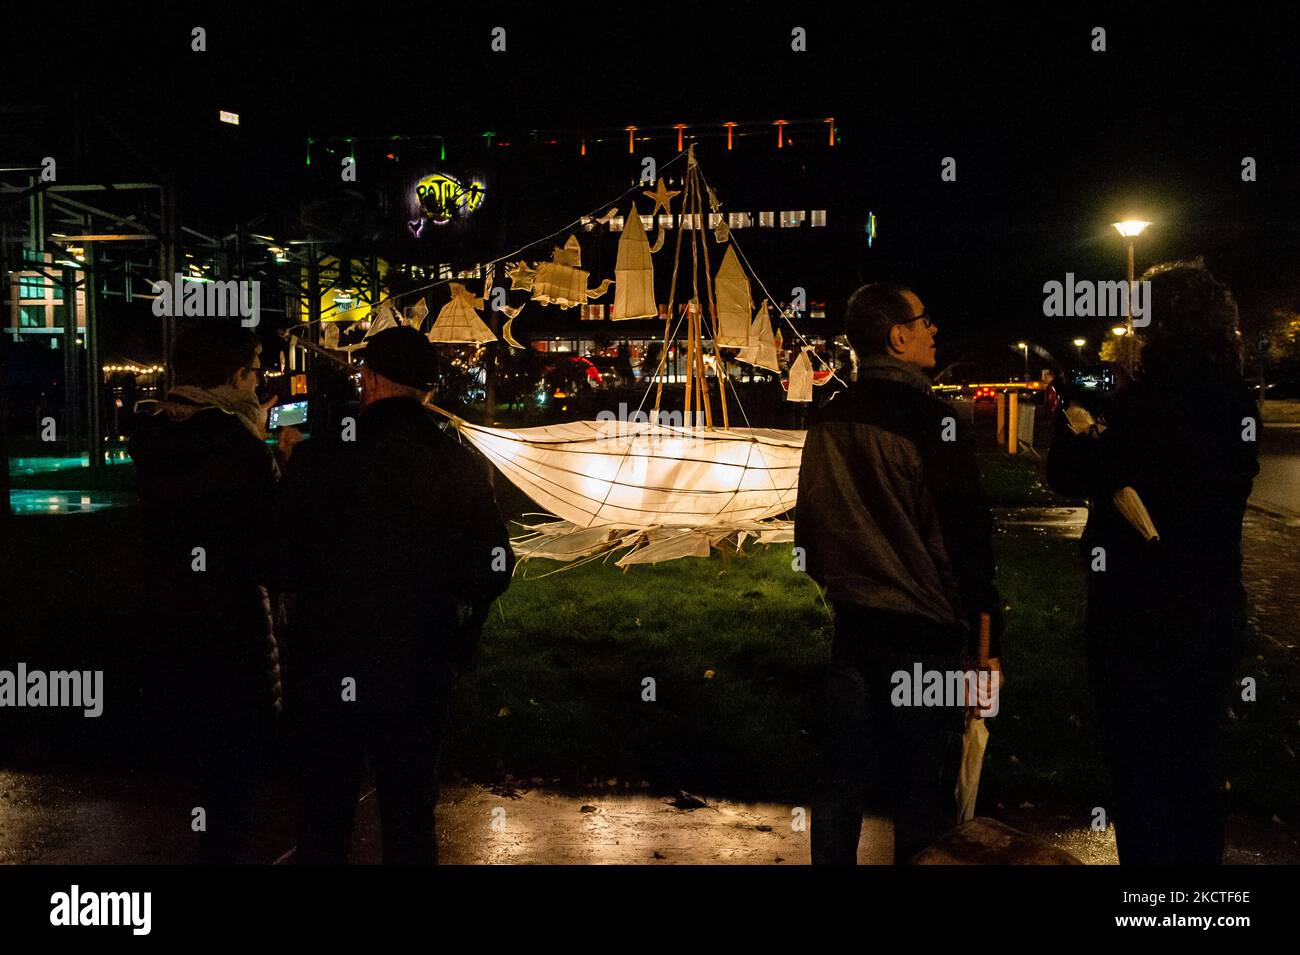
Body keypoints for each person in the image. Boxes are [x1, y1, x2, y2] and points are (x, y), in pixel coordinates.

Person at [1046, 260, 1258, 864]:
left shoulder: (1143, 402)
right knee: (1196, 757)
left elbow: (1073, 474)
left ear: (1159, 324)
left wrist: (1075, 419)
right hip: (1212, 603)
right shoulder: (1237, 400)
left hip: (1135, 609)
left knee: (1140, 765)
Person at [276, 326, 513, 864]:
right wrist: (456, 620)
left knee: (324, 810)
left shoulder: (320, 458)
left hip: (329, 660)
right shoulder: (458, 463)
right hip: (418, 661)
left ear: (372, 380)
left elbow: (279, 562)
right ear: (426, 388)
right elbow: (493, 566)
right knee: (409, 813)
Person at [796, 282, 1004, 864]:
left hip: (853, 631)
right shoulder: (934, 423)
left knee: (840, 784)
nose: (933, 329)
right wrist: (986, 639)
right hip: (925, 639)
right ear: (897, 336)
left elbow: (808, 535)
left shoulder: (829, 420)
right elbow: (966, 546)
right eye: (923, 319)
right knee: (921, 794)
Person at [129, 321, 283, 864]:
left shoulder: (153, 433)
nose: (259, 382)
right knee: (232, 773)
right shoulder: (239, 449)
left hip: (166, 620)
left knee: (194, 766)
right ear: (235, 375)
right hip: (231, 629)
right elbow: (272, 549)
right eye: (255, 371)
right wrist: (275, 461)